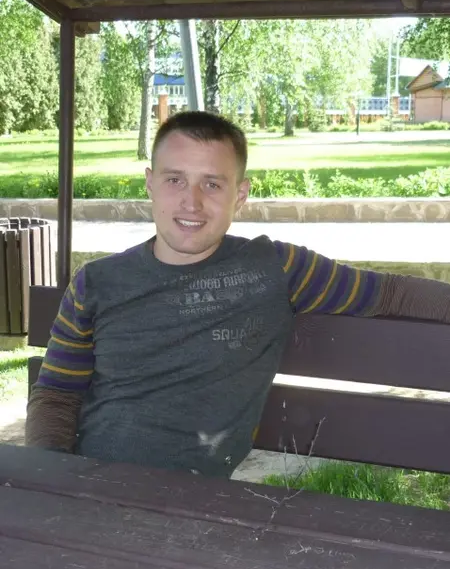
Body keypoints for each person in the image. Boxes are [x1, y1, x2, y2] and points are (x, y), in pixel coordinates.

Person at [26, 111, 450, 478]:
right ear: (150, 184)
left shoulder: (277, 269)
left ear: (240, 195)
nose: (191, 202)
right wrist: (50, 480)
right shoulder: (97, 283)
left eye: (212, 184)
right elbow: (57, 393)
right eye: (175, 180)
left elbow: (391, 293)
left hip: (193, 496)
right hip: (89, 480)